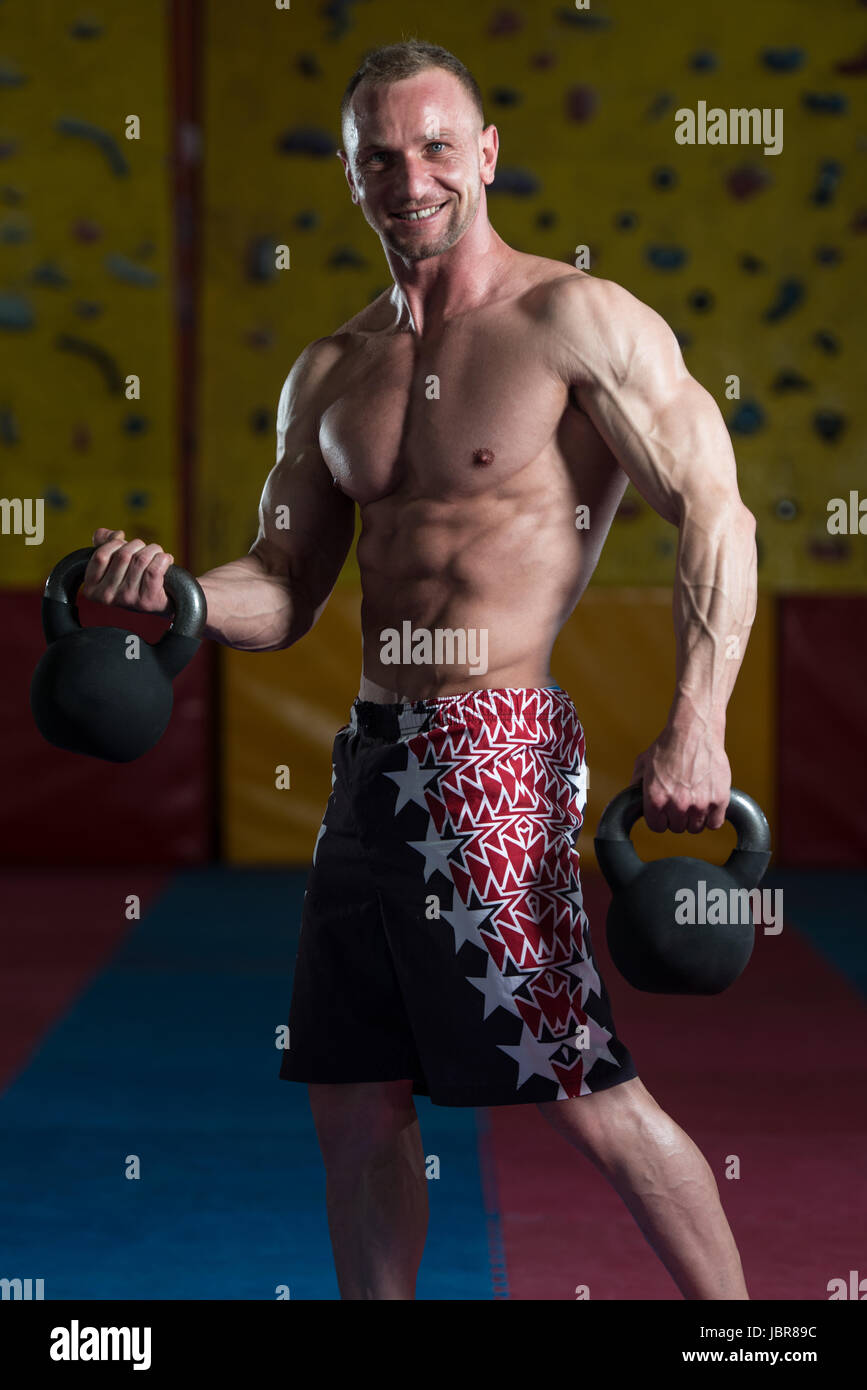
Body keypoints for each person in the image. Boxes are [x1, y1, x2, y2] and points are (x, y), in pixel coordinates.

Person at [82, 40, 757, 1300]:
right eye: (381, 156)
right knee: (353, 1099)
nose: (414, 176)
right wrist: (167, 593)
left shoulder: (575, 320)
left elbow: (718, 513)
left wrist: (698, 720)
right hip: (371, 764)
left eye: (438, 146)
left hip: (496, 755)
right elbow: (281, 590)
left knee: (579, 1087)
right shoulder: (332, 371)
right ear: (351, 178)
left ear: (487, 154)